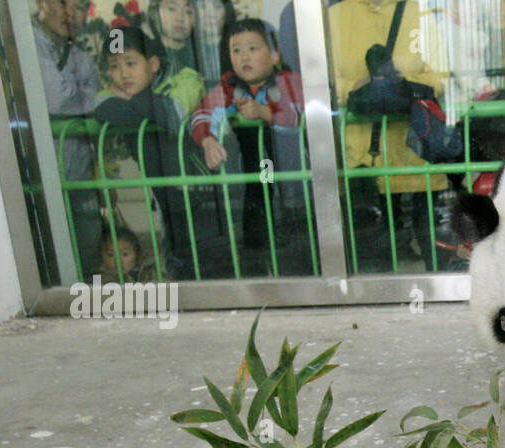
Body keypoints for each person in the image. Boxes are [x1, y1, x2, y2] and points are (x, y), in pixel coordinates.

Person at [330, 0, 449, 270]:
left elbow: (439, 77)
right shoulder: (335, 18)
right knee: (375, 255)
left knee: (431, 246)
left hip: (417, 154)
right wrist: (357, 86)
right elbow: (325, 82)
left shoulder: (420, 12)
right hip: (367, 158)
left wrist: (401, 85)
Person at [190, 18, 304, 251]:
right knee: (258, 195)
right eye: (236, 50)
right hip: (256, 166)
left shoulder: (287, 81)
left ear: (274, 56)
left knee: (296, 214)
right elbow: (201, 114)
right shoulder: (229, 88)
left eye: (253, 49)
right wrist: (207, 140)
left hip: (293, 167)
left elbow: (303, 115)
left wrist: (266, 112)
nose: (244, 57)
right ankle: (258, 245)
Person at [96, 26, 203, 270]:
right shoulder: (113, 93)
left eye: (130, 63)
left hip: (202, 183)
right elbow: (103, 108)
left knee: (204, 248)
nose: (123, 74)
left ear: (153, 64)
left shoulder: (184, 78)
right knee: (175, 248)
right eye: (114, 66)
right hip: (162, 188)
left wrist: (136, 101)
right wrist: (148, 107)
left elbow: (172, 112)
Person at [34, 0, 103, 275]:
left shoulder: (77, 53)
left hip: (80, 167)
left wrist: (80, 96)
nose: (71, 15)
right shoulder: (31, 46)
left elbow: (98, 100)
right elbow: (58, 100)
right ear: (43, 4)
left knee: (88, 240)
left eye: (79, 8)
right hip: (44, 171)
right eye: (63, 4)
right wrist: (83, 96)